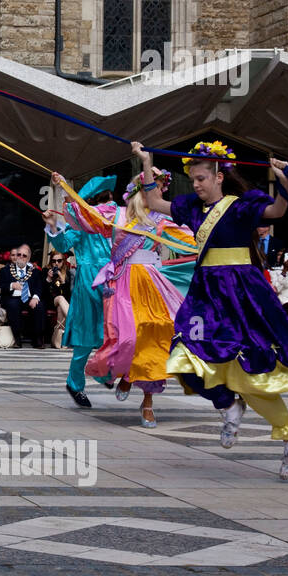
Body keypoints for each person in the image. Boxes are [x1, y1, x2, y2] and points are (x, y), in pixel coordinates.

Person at [132, 140, 288, 480]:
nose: (196, 184)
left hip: (241, 293)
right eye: (193, 179)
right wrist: (146, 161)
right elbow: (153, 201)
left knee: (251, 377)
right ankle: (227, 404)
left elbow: (277, 212)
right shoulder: (191, 209)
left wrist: (285, 182)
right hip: (207, 292)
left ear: (218, 177)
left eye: (201, 178)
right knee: (183, 357)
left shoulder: (241, 206)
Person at [55, 167, 196, 428]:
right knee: (127, 337)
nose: (157, 194)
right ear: (137, 192)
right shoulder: (116, 214)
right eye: (151, 190)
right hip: (121, 284)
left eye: (160, 190)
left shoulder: (162, 220)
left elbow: (192, 237)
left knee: (157, 336)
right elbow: (86, 215)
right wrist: (64, 188)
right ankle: (127, 376)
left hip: (152, 283)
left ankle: (148, 403)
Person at [44, 176, 117, 405]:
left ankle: (104, 371)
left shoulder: (118, 218)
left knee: (114, 329)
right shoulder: (82, 220)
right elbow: (64, 245)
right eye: (106, 200)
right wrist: (53, 226)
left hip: (113, 275)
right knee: (87, 333)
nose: (110, 206)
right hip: (89, 279)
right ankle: (76, 383)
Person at [0, 244, 47, 348]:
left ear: (28, 258)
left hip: (29, 297)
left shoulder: (35, 272)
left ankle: (38, 339)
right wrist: (12, 285)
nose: (20, 257)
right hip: (13, 297)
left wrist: (35, 297)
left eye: (24, 255)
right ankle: (17, 338)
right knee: (13, 305)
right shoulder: (6, 270)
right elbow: (1, 286)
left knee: (39, 306)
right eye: (18, 254)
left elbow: (39, 287)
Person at [46, 252, 72, 348]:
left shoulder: (67, 273)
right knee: (60, 299)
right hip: (50, 301)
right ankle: (73, 322)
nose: (56, 263)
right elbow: (43, 293)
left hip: (63, 302)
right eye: (54, 261)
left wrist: (63, 281)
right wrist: (48, 279)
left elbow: (68, 295)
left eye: (59, 261)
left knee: (61, 308)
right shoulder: (46, 271)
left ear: (63, 262)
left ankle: (60, 341)